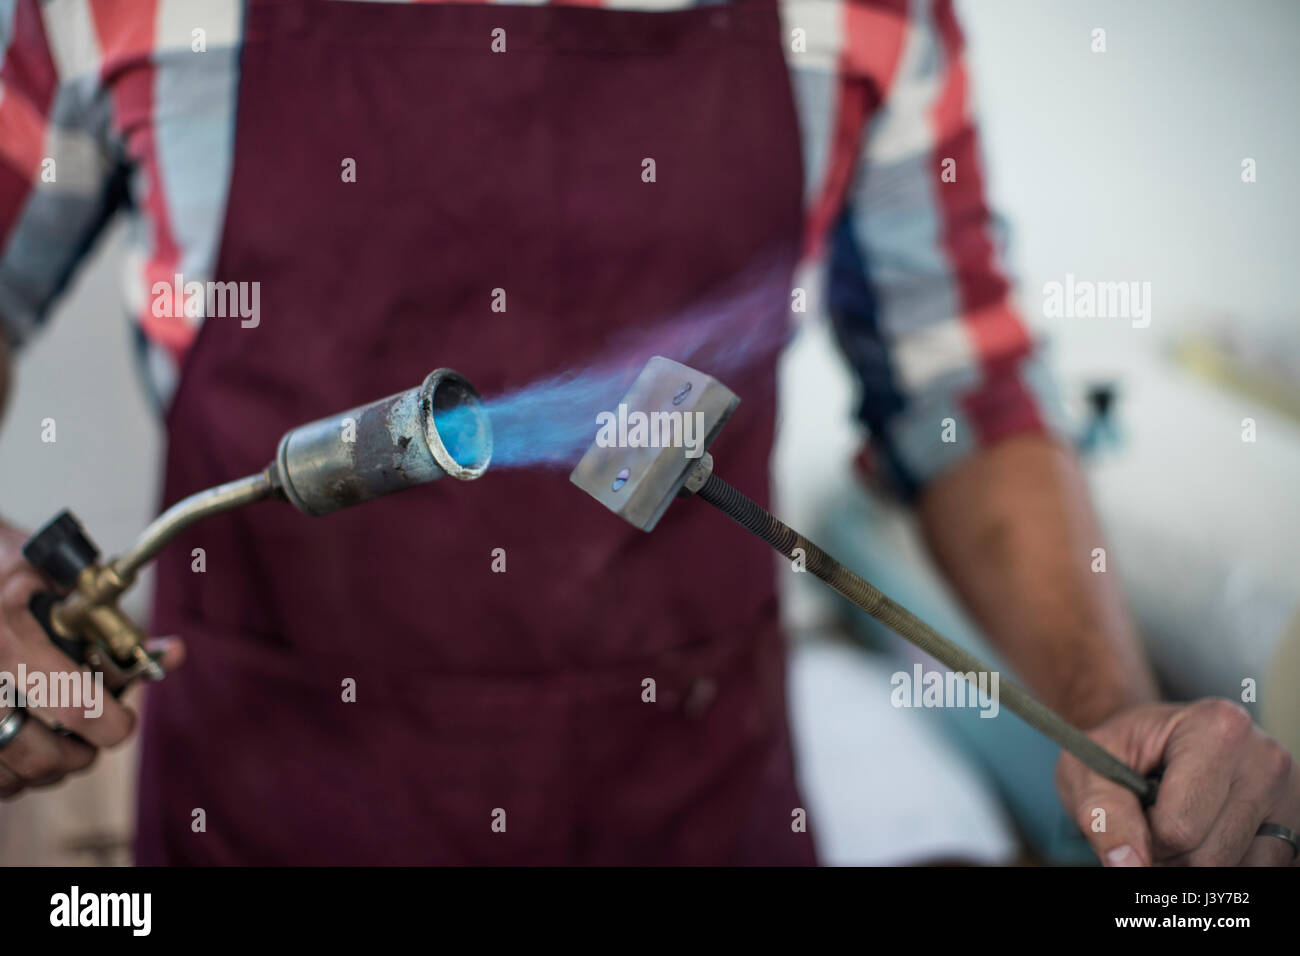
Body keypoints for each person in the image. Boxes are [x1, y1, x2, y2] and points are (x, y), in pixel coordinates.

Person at [0, 0, 1295, 866]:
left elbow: (965, 395)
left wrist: (1110, 714)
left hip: (690, 807)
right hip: (271, 806)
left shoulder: (860, 19)